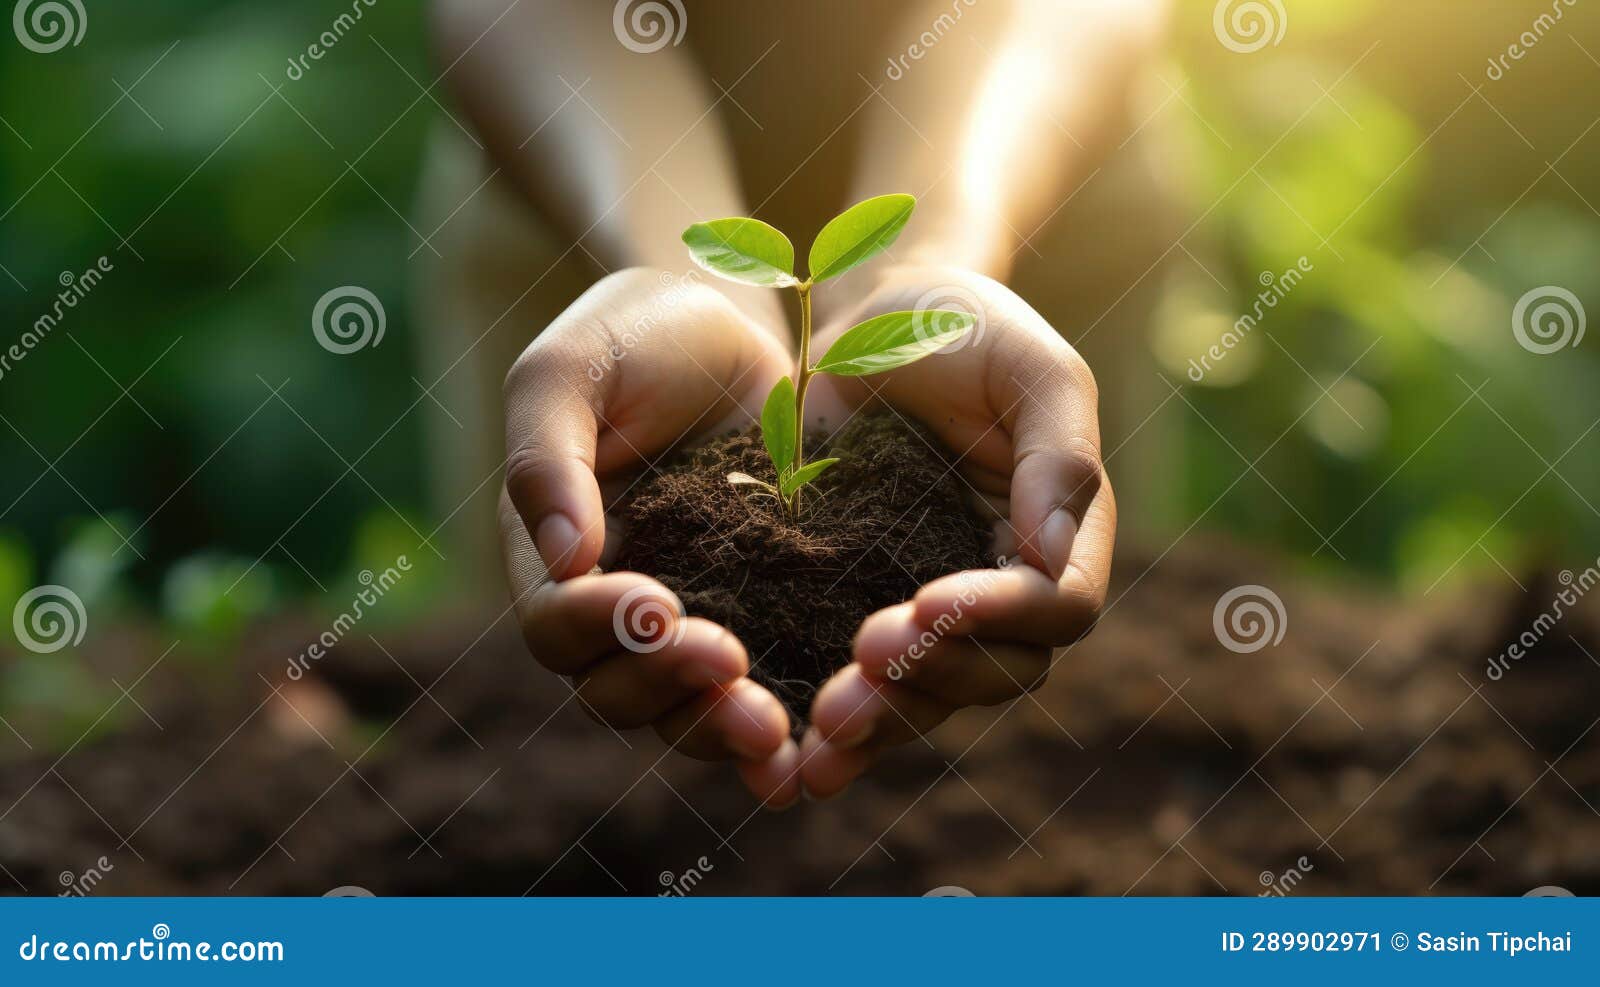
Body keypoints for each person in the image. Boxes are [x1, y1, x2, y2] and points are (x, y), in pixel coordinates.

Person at [421, 0, 1171, 807]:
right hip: (570, 165)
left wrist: (937, 259)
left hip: (1036, 147)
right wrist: (688, 280)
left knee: (1057, 748)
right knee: (557, 745)